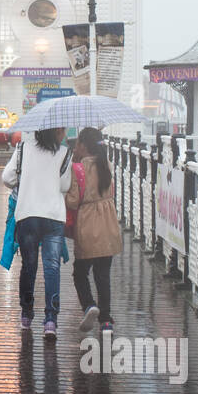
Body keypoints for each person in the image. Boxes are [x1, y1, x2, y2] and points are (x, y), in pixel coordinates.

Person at [1, 126, 74, 338]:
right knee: (52, 267)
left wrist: (26, 180)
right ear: (56, 133)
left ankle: (26, 314)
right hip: (53, 217)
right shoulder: (64, 153)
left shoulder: (23, 149)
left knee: (29, 266)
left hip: (28, 215)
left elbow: (7, 178)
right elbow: (64, 185)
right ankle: (50, 320)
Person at [65, 127, 122, 333]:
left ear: (83, 146)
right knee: (103, 274)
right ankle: (106, 321)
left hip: (87, 224)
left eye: (78, 143)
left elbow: (72, 201)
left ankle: (89, 305)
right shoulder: (106, 164)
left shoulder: (78, 169)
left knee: (80, 272)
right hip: (108, 222)